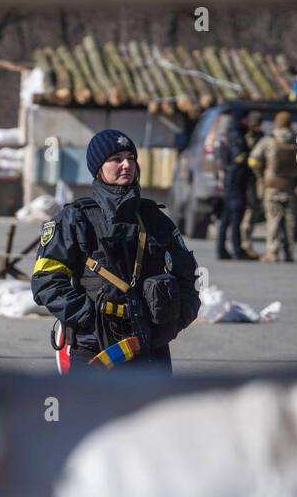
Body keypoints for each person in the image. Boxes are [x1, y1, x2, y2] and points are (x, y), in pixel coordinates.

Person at [32, 129, 200, 372]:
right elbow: (46, 281)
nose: (126, 165)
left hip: (151, 350)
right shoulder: (74, 219)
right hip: (96, 350)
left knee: (157, 412)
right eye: (116, 159)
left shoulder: (155, 218)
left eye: (131, 158)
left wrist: (170, 327)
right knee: (94, 412)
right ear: (99, 167)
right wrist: (89, 319)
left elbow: (189, 278)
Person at [247, 111, 297, 262]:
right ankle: (289, 252)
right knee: (290, 221)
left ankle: (272, 252)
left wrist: (260, 175)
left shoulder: (268, 141)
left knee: (273, 220)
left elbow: (253, 160)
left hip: (272, 187)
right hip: (290, 187)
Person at [216, 112, 258, 261]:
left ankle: (221, 250)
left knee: (227, 217)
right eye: (246, 119)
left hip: (231, 181)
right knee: (235, 217)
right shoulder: (237, 136)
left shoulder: (230, 134)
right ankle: (237, 250)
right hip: (236, 182)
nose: (248, 122)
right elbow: (239, 158)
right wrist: (248, 164)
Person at [238, 111, 264, 257]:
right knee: (246, 214)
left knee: (251, 212)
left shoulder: (261, 138)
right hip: (243, 180)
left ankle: (246, 243)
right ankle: (243, 244)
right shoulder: (243, 137)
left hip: (254, 181)